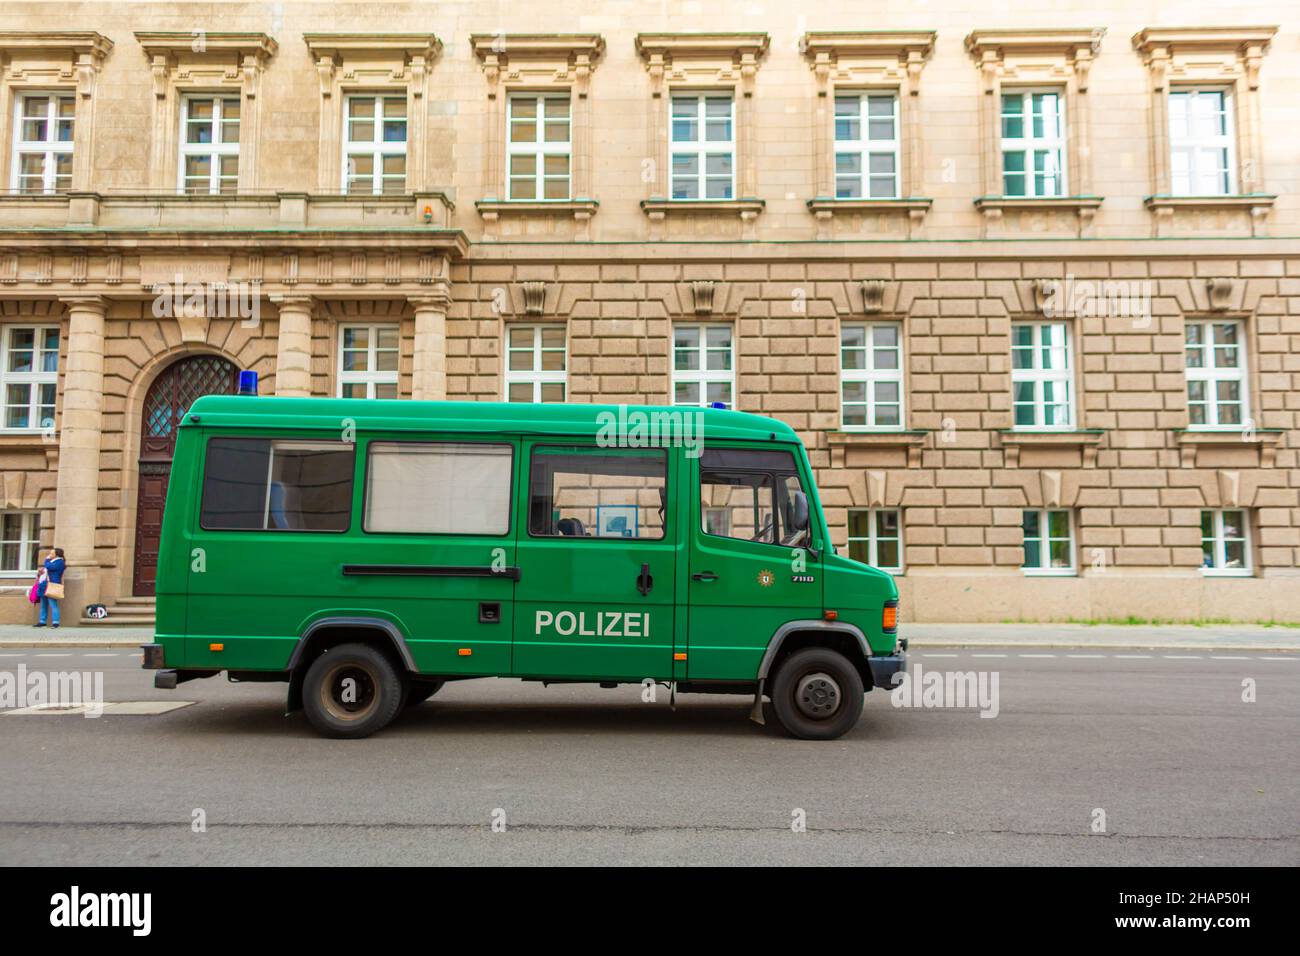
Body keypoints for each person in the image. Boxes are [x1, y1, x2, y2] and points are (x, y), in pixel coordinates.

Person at [36, 547, 65, 629]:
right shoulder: (52, 561)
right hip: (45, 584)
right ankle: (42, 622)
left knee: (53, 604)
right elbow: (47, 568)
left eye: (52, 553)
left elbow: (49, 567)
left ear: (57, 555)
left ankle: (56, 623)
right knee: (43, 604)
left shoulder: (60, 562)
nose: (49, 555)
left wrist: (46, 560)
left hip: (53, 584)